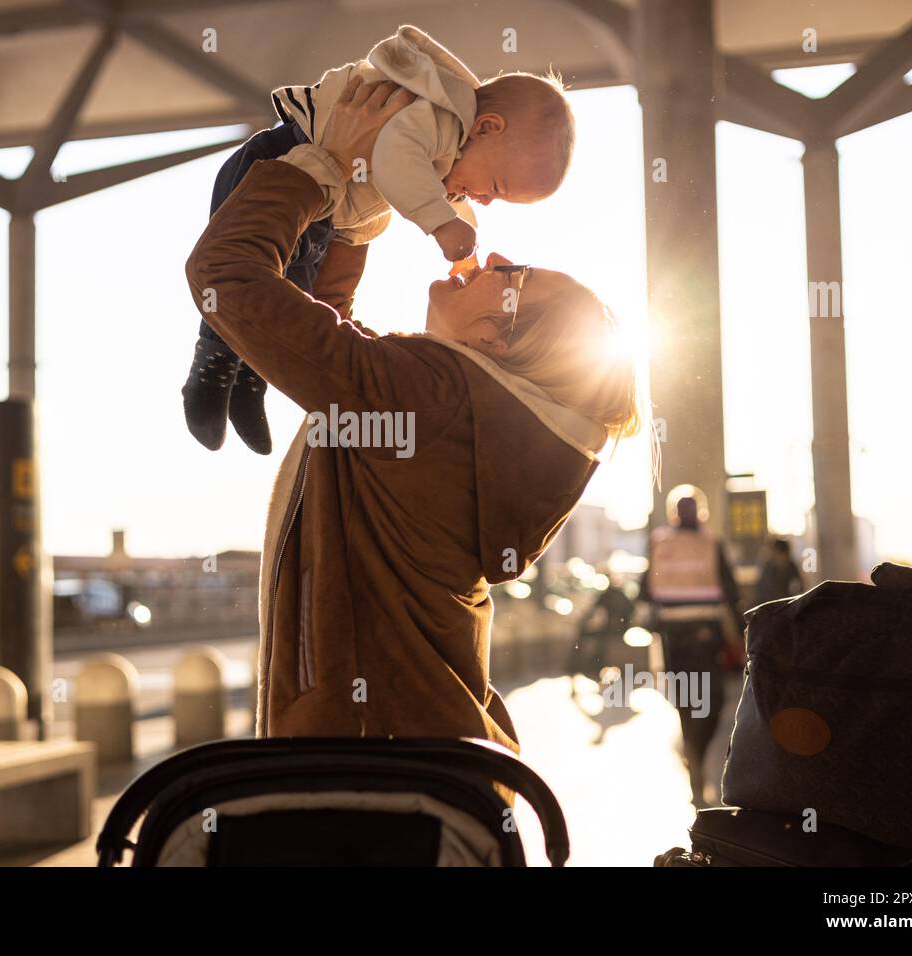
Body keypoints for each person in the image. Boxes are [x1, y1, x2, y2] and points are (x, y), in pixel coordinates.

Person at [184, 78, 643, 758]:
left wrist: (322, 165)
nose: (487, 255)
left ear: (496, 338)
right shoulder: (466, 416)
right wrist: (359, 203)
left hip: (364, 773)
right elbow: (325, 338)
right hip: (422, 759)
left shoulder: (430, 399)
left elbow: (225, 272)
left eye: (511, 274)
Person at [182, 24, 576, 456]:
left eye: (516, 279)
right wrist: (441, 223)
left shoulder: (415, 405)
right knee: (282, 294)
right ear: (486, 126)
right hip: (283, 157)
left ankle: (245, 380)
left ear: (494, 344)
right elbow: (395, 161)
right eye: (496, 186)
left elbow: (273, 296)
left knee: (288, 291)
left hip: (314, 193)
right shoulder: (441, 121)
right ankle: (216, 370)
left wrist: (341, 175)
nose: (483, 201)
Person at [641, 485, 743, 806]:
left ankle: (693, 754)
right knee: (711, 700)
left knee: (685, 699)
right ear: (701, 510)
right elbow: (731, 589)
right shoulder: (711, 542)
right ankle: (697, 751)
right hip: (704, 635)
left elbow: (645, 589)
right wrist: (740, 630)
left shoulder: (660, 541)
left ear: (673, 512)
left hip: (672, 636)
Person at [755, 537, 805, 606]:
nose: (773, 556)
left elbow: (800, 587)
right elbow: (761, 590)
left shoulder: (791, 567)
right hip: (769, 606)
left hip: (787, 605)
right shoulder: (768, 568)